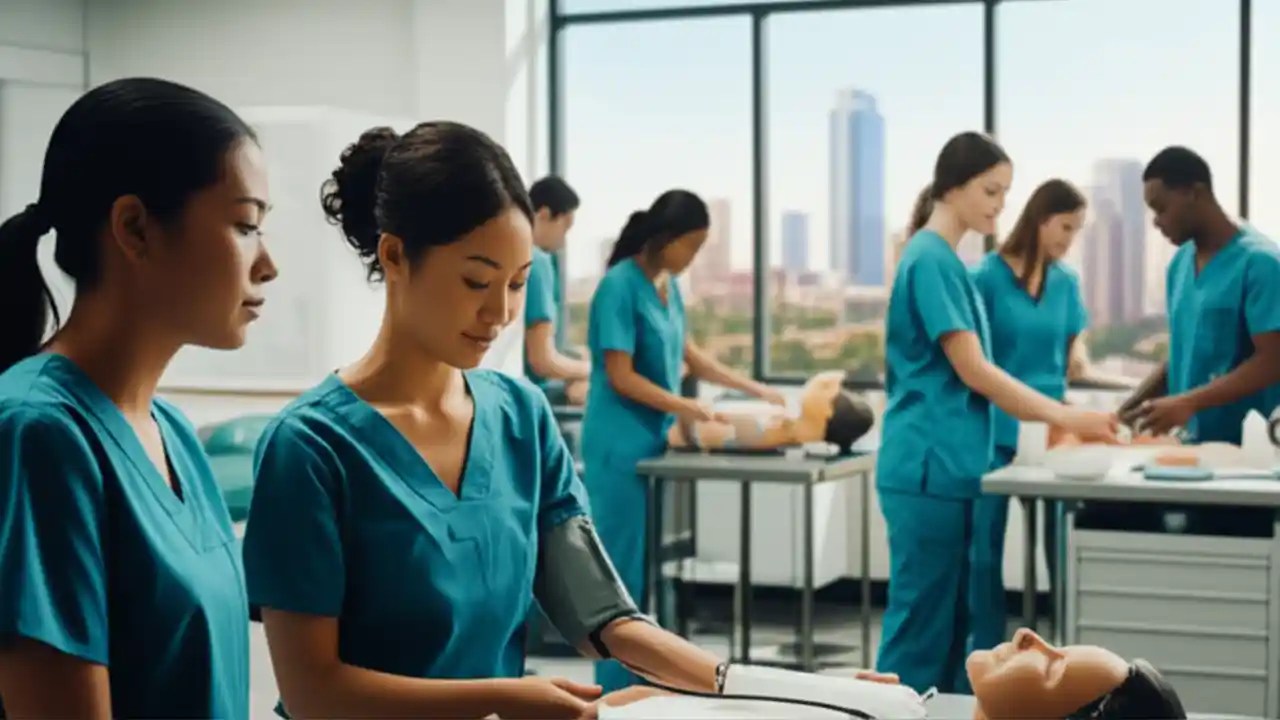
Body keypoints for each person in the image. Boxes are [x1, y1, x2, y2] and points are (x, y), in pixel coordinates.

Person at [243, 122, 762, 719]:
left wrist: (765, 688)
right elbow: (315, 695)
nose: (500, 313)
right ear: (394, 255)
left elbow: (607, 620)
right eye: (476, 281)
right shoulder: (311, 448)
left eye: (517, 285)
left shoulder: (520, 418)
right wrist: (504, 697)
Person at [0, 78, 276, 719]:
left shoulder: (171, 432)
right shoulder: (38, 435)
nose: (268, 264)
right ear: (134, 227)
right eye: (245, 225)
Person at [877, 131, 1118, 695]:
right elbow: (975, 370)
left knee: (949, 630)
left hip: (952, 467)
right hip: (926, 467)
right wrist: (1068, 418)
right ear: (954, 186)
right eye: (990, 190)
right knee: (918, 631)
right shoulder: (932, 259)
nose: (999, 206)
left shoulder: (950, 262)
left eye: (1005, 194)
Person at [582, 189, 785, 692]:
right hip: (618, 445)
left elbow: (690, 356)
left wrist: (752, 387)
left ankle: (651, 685)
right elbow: (620, 375)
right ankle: (611, 694)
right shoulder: (619, 286)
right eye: (691, 246)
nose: (694, 257)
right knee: (619, 578)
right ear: (666, 238)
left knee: (650, 574)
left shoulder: (667, 287)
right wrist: (687, 406)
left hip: (653, 444)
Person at [967, 179, 1134, 654]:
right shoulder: (985, 278)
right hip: (994, 433)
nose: (1069, 239)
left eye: (1077, 230)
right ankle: (986, 659)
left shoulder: (1066, 283)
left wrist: (1128, 392)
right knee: (984, 557)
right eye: (1065, 227)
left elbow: (1075, 362)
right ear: (1040, 220)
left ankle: (1068, 658)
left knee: (1063, 553)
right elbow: (973, 361)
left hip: (1055, 438)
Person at [1131, 146, 1280, 444]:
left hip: (1249, 455)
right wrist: (1130, 409)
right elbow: (1183, 356)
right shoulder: (1179, 265)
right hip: (1189, 449)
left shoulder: (1261, 264)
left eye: (1161, 208)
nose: (1156, 221)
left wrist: (1188, 402)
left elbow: (1273, 359)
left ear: (1193, 193)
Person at [666, 370, 873, 454]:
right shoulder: (785, 423)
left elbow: (705, 430)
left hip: (675, 430)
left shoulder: (776, 428)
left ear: (827, 412)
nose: (817, 385)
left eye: (826, 391)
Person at [525, 176, 590, 405]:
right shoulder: (537, 262)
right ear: (543, 215)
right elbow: (542, 361)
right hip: (535, 397)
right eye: (565, 227)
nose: (563, 241)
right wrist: (592, 370)